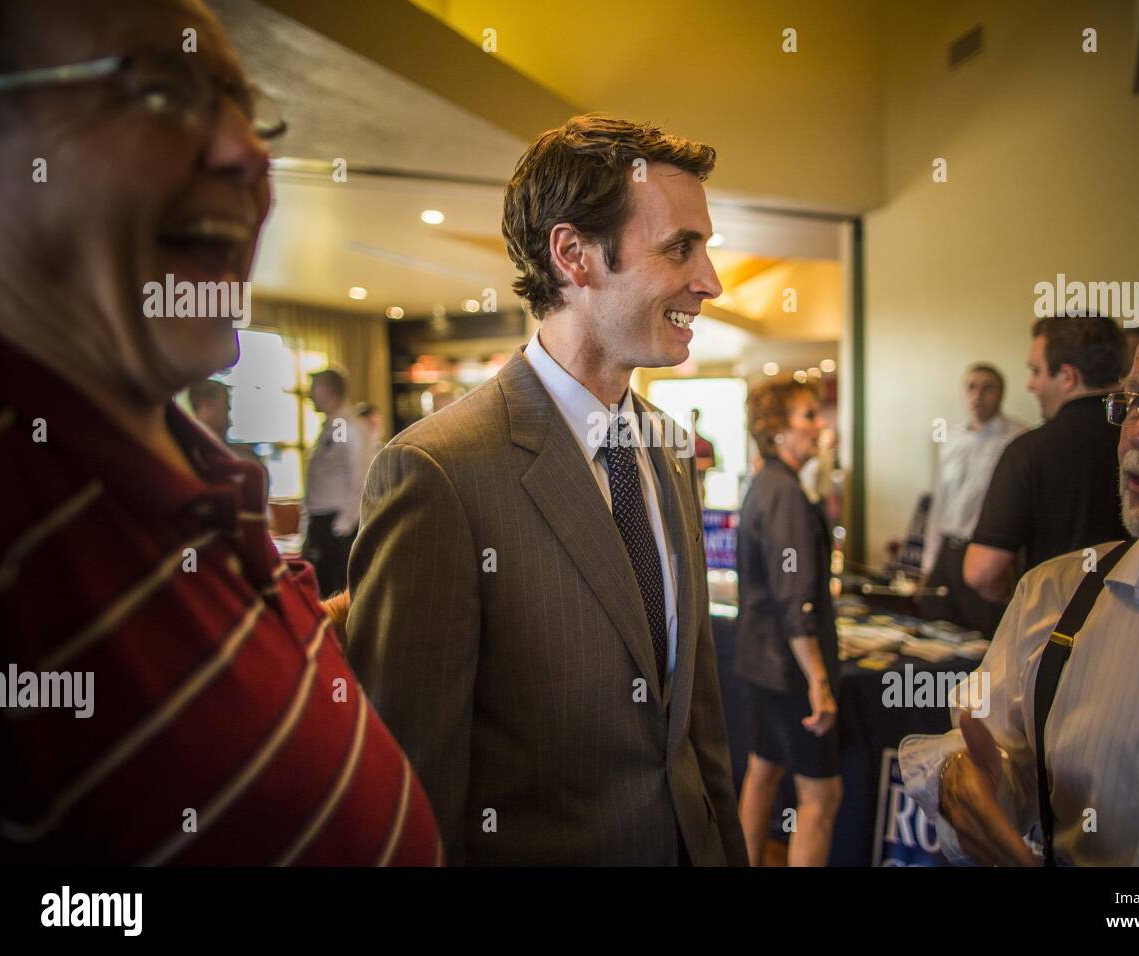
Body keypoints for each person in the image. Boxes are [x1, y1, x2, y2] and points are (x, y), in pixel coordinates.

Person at [0, 0, 438, 864]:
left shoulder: (178, 448)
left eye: (245, 107)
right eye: (162, 89)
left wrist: (405, 583)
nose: (249, 151)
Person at [346, 115, 748, 866]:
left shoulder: (668, 452)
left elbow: (698, 729)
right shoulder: (438, 474)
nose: (710, 282)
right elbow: (411, 795)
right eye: (679, 248)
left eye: (706, 248)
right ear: (575, 256)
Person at [900, 278, 1139, 865]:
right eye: (1135, 402)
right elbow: (988, 763)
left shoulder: (1024, 450)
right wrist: (973, 786)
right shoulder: (1055, 599)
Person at [735, 381, 842, 866]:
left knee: (764, 770)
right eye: (808, 417)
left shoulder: (767, 484)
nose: (820, 426)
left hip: (762, 662)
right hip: (789, 669)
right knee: (821, 798)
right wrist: (819, 680)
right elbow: (793, 597)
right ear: (778, 431)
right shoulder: (785, 495)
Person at [964, 315, 1128, 603]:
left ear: (1067, 377)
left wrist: (1017, 604)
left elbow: (982, 571)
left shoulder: (1028, 450)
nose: (1030, 385)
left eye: (1035, 371)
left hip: (1053, 625)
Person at [918, 364, 1027, 635]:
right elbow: (940, 503)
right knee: (935, 630)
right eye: (971, 387)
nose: (978, 394)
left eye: (987, 387)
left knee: (984, 634)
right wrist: (928, 563)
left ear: (1001, 393)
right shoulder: (951, 439)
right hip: (948, 549)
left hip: (986, 552)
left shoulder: (1017, 438)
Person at [302, 368, 371, 597]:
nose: (310, 395)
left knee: (335, 594)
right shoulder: (333, 425)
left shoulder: (346, 426)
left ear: (327, 390)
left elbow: (360, 475)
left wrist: (342, 526)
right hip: (323, 522)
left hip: (336, 524)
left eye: (314, 389)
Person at [188, 378, 269, 498]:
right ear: (207, 404)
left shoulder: (247, 460)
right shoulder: (182, 455)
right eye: (226, 403)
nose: (229, 409)